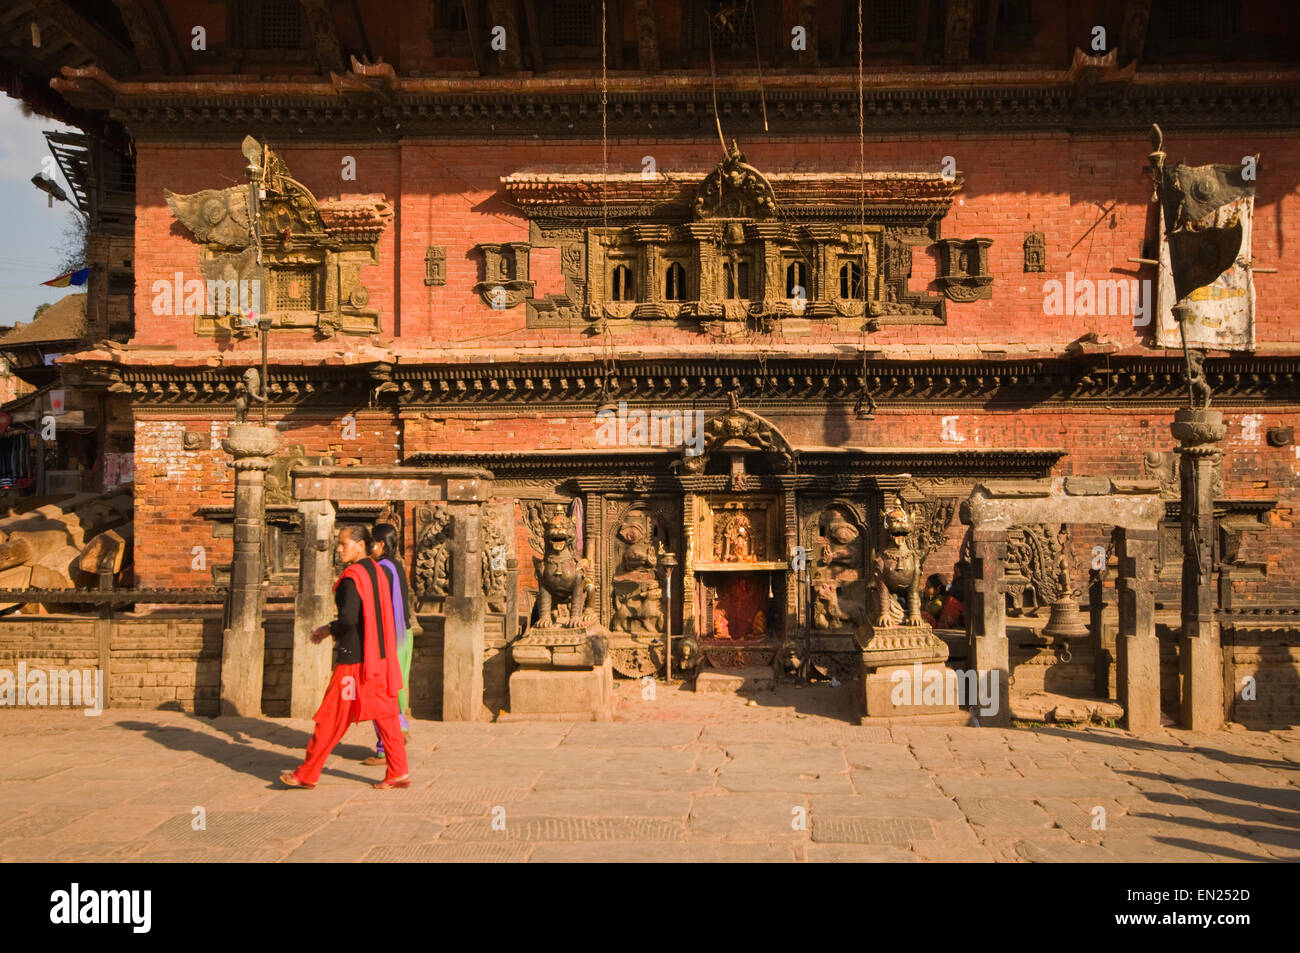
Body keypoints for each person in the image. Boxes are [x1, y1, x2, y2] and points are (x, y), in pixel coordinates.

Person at [281, 524, 410, 790]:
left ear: (360, 546)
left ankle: (306, 773)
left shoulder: (352, 577)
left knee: (332, 718)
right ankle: (398, 771)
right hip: (381, 659)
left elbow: (349, 619)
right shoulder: (377, 571)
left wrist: (327, 629)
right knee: (386, 716)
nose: (339, 549)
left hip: (355, 664)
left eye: (344, 544)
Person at [362, 523, 413, 766]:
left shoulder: (381, 569)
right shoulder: (397, 565)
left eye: (371, 542)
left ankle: (386, 746)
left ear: (380, 544)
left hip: (389, 638)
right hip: (405, 635)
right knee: (393, 686)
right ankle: (399, 729)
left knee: (381, 690)